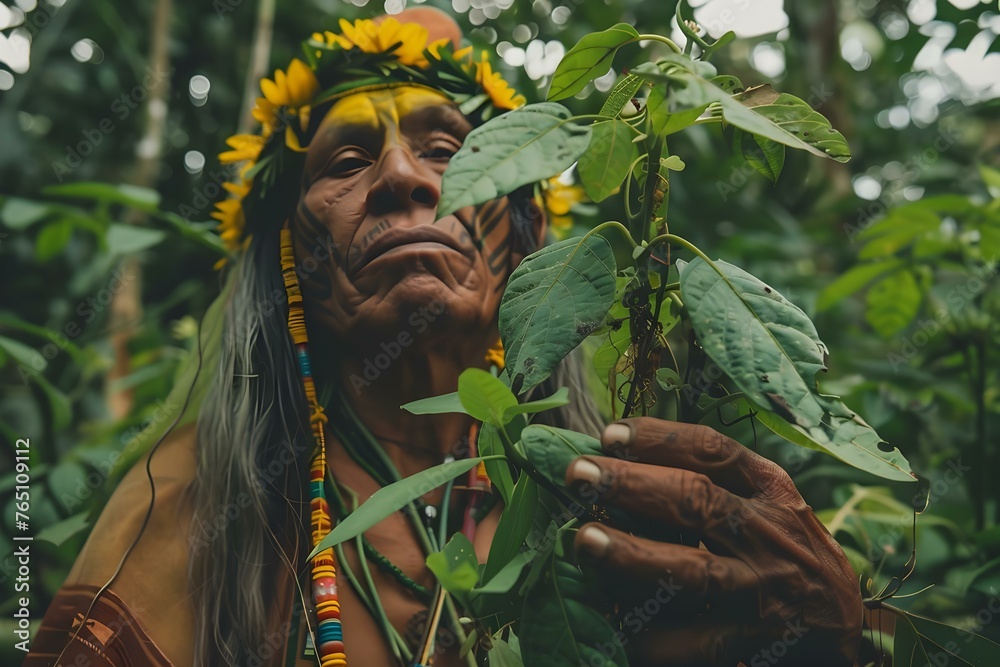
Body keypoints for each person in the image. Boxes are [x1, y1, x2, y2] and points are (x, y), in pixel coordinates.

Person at [26, 7, 863, 666]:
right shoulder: (198, 494)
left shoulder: (622, 484)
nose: (399, 176)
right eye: (347, 162)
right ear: (291, 259)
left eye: (447, 149)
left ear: (528, 241)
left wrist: (831, 642)